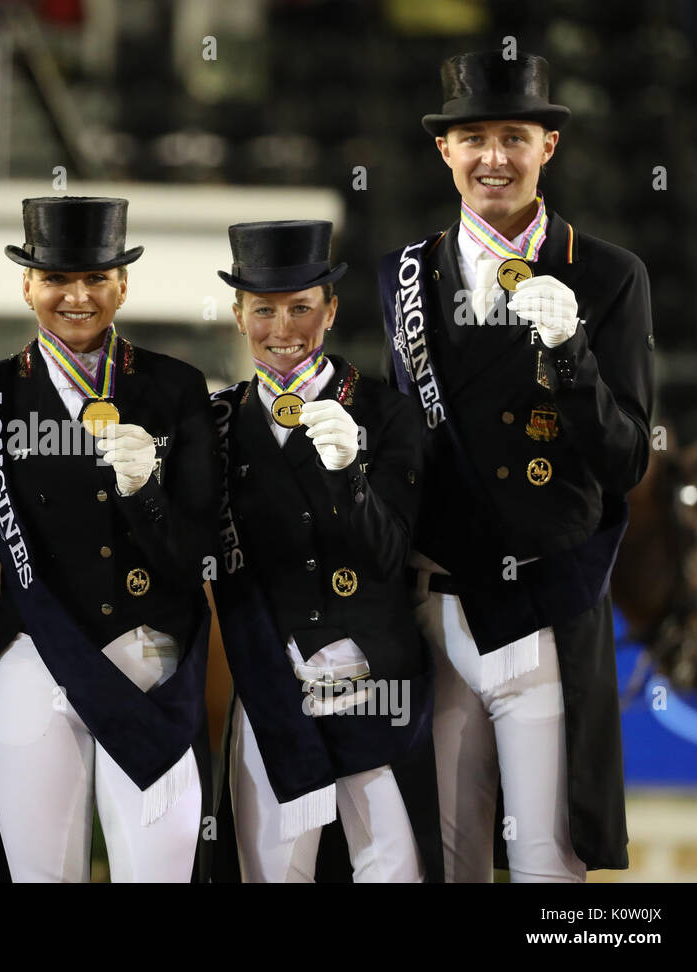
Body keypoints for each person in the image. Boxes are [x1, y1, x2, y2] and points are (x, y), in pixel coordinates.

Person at [378, 51, 654, 881]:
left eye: (512, 136)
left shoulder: (608, 275)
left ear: (548, 147)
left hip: (540, 606)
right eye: (473, 138)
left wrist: (572, 357)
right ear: (445, 152)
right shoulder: (407, 275)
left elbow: (630, 459)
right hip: (436, 606)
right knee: (448, 856)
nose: (492, 156)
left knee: (545, 859)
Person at [0, 196, 218, 882]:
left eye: (97, 278)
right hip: (34, 661)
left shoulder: (177, 388)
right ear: (28, 285)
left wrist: (145, 494)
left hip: (148, 659)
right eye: (57, 279)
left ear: (123, 285)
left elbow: (195, 556)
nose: (77, 296)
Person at [209, 220, 438, 882]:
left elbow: (389, 554)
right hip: (273, 693)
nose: (283, 328)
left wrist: (349, 475)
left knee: (393, 870)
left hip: (377, 689)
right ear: (238, 315)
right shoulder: (216, 423)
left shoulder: (388, 414)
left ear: (330, 311)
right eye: (264, 310)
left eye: (302, 307)